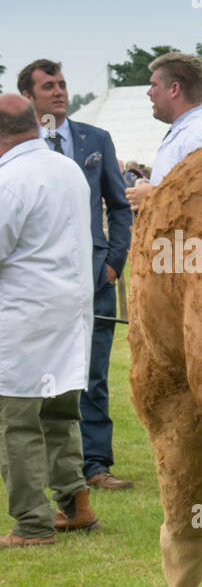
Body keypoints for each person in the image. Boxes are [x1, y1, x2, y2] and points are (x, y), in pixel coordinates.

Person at [19, 59, 136, 491]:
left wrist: (113, 261)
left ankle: (96, 465)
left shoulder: (95, 139)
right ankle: (50, 467)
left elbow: (120, 206)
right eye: (48, 86)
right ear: (29, 97)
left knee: (93, 375)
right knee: (38, 373)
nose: (59, 92)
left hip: (95, 277)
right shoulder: (20, 145)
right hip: (38, 280)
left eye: (63, 84)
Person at [0, 95, 100, 547]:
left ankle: (32, 523)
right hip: (68, 312)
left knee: (16, 424)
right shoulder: (66, 167)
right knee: (60, 414)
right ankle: (76, 503)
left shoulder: (9, 180)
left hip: (24, 317)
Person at [124, 52, 202, 208]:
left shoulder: (201, 136)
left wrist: (153, 196)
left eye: (154, 85)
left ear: (174, 89)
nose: (149, 92)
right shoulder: (189, 131)